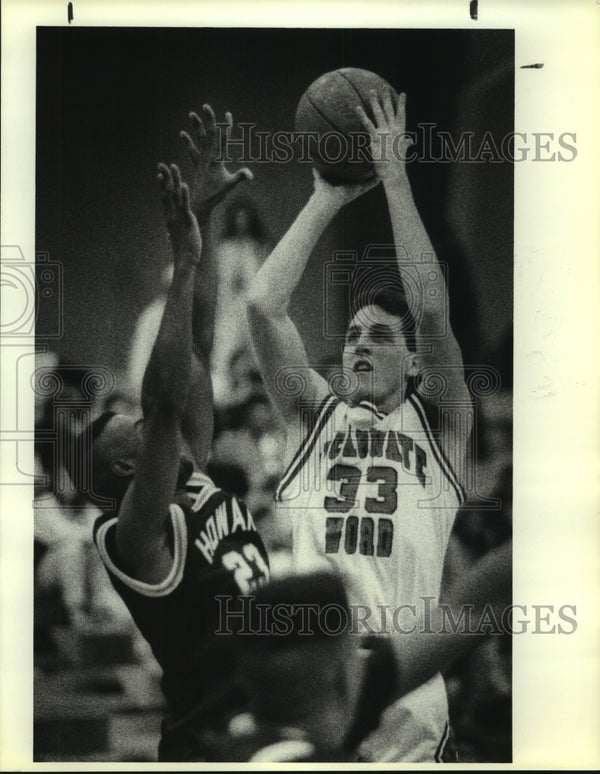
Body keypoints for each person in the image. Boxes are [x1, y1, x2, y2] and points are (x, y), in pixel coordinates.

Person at [247, 90, 473, 761]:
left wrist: (395, 180)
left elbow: (432, 314)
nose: (360, 344)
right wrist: (327, 195)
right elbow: (263, 304)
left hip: (406, 682)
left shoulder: (440, 427)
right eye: (351, 336)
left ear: (411, 360)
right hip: (324, 677)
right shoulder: (314, 418)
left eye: (378, 335)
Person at [71, 106, 270, 761]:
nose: (133, 417)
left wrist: (205, 220)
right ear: (123, 470)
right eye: (119, 428)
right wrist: (183, 262)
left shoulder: (192, 466)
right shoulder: (135, 534)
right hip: (211, 737)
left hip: (267, 715)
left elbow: (201, 346)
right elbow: (161, 400)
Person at [201, 540, 511, 762]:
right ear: (341, 668)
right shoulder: (318, 750)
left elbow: (474, 609)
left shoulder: (237, 735)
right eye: (358, 642)